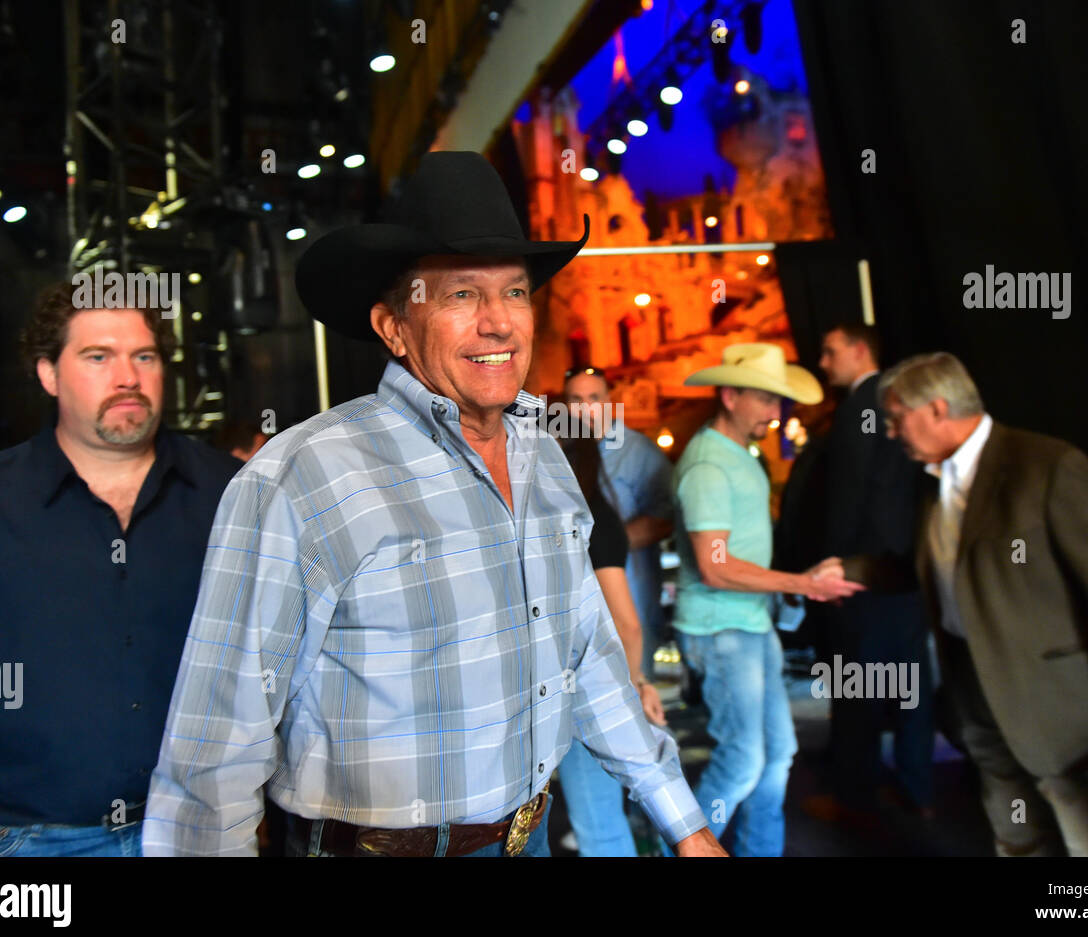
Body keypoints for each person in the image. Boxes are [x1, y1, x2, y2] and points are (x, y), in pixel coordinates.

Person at [143, 151, 725, 857]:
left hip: (528, 839)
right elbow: (217, 745)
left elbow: (587, 657)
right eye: (460, 296)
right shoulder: (304, 475)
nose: (500, 323)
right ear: (394, 328)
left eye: (514, 293)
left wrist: (685, 824)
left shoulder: (545, 456)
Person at [0, 280, 240, 856]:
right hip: (21, 840)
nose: (127, 377)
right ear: (49, 374)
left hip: (197, 831)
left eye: (143, 356)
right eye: (98, 357)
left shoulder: (231, 494)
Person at [871, 351, 1088, 855]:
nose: (891, 432)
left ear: (936, 409)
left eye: (897, 418)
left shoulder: (1046, 465)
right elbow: (940, 567)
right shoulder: (938, 484)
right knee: (1018, 838)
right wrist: (846, 572)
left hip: (1064, 711)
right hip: (977, 697)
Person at [674, 342, 863, 857]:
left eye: (778, 401)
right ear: (731, 395)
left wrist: (799, 581)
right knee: (743, 760)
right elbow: (715, 566)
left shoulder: (739, 454)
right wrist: (804, 584)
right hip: (721, 629)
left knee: (777, 754)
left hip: (749, 624)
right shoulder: (710, 464)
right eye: (764, 399)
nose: (775, 413)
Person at [804, 324, 935, 823]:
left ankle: (854, 800)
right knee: (910, 688)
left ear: (860, 351)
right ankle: (916, 791)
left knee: (856, 689)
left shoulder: (863, 406)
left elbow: (847, 497)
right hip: (904, 572)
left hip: (863, 574)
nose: (823, 360)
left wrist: (832, 571)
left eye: (830, 350)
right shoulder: (900, 402)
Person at [556, 431, 667, 856]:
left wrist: (635, 683)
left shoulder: (585, 525)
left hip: (590, 685)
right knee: (601, 815)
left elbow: (627, 623)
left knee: (597, 822)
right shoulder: (592, 518)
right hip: (593, 680)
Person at [564, 367, 673, 675]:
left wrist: (603, 545)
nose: (585, 408)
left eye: (594, 398)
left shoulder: (638, 451)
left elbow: (667, 518)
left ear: (609, 402)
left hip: (631, 589)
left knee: (635, 681)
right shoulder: (558, 451)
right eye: (575, 399)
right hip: (579, 601)